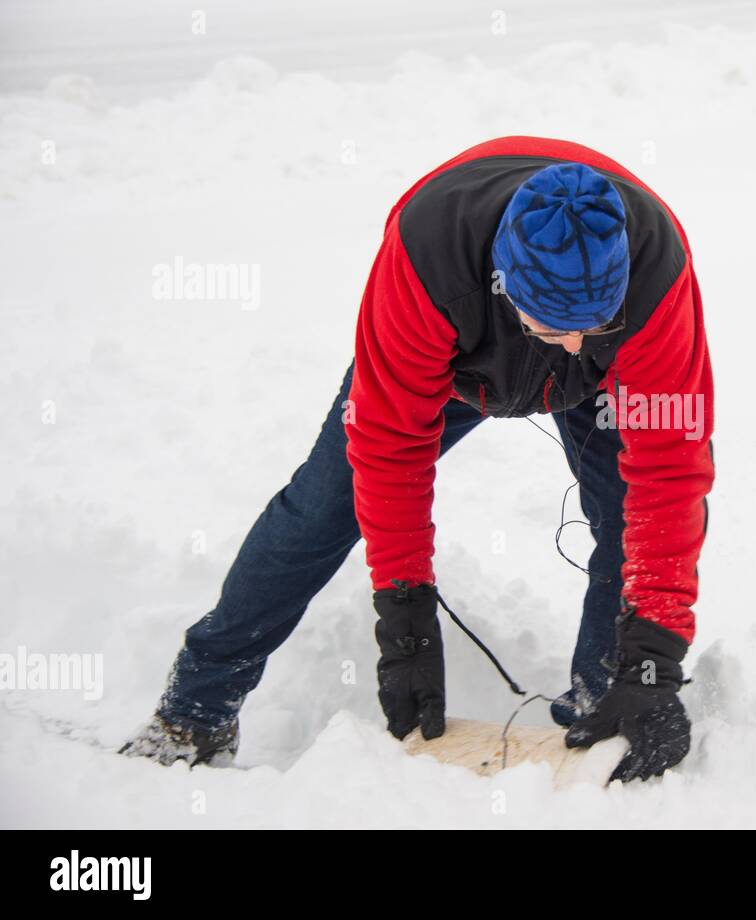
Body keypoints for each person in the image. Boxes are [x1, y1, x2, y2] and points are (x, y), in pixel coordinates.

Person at [120, 136, 714, 782]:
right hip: (453, 361)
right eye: (552, 326)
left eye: (592, 326)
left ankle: (609, 710)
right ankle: (195, 710)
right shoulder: (426, 261)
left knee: (630, 519)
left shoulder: (655, 278)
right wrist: (404, 616)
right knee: (321, 509)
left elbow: (669, 475)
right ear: (506, 288)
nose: (573, 345)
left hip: (608, 377)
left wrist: (653, 660)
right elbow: (390, 451)